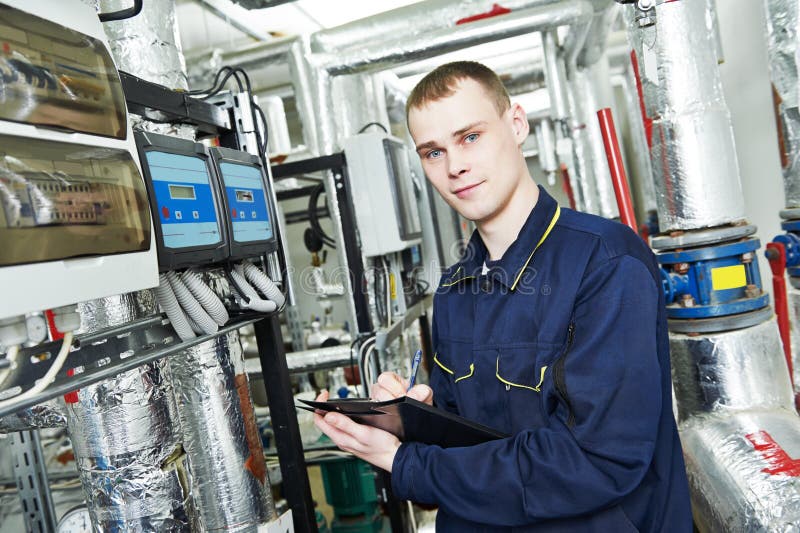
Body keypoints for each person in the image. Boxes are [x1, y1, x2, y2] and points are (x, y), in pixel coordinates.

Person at [313, 61, 692, 532]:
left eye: (470, 136)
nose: (455, 167)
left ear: (516, 124)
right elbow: (464, 443)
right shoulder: (453, 290)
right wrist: (406, 422)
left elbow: (598, 461)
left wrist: (410, 464)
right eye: (433, 152)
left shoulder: (606, 264)